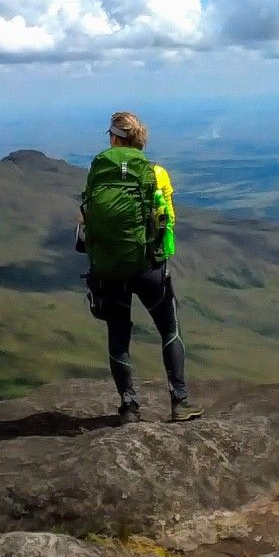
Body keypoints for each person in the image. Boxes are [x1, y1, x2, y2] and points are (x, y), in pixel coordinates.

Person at [77, 111, 202, 424]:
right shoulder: (155, 172)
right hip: (148, 267)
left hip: (109, 269)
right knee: (169, 329)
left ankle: (129, 408)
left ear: (115, 138)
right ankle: (179, 403)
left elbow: (87, 216)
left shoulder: (98, 169)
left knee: (118, 334)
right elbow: (168, 219)